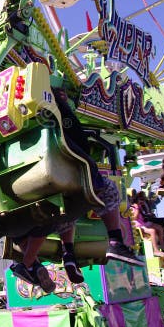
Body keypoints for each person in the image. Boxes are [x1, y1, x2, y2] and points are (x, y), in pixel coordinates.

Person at [10, 88, 143, 290]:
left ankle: (58, 256)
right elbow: (79, 139)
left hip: (17, 192)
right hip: (54, 182)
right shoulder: (57, 113)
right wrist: (64, 106)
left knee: (61, 211)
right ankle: (114, 241)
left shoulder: (16, 125)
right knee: (102, 190)